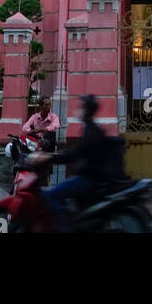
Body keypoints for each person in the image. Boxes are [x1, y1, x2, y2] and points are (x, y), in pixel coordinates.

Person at [41, 95, 119, 230]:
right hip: (91, 176)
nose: (79, 111)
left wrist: (49, 158)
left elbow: (73, 154)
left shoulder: (91, 131)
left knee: (53, 195)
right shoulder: (92, 128)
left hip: (89, 178)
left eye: (82, 107)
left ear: (86, 110)